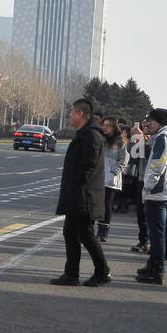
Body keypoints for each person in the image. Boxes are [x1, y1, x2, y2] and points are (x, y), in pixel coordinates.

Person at [52, 98, 111, 286]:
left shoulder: (91, 135)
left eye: (71, 112)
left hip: (84, 195)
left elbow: (88, 165)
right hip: (77, 194)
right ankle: (71, 273)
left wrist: (76, 183)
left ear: (80, 114)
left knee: (86, 234)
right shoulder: (85, 134)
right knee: (70, 233)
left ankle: (103, 272)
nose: (69, 115)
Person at [135, 108, 167, 285]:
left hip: (158, 194)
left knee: (157, 235)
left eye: (150, 121)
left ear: (160, 123)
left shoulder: (163, 138)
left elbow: (157, 165)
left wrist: (148, 186)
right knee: (159, 234)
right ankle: (152, 265)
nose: (147, 124)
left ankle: (156, 271)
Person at [99, 116, 128, 242]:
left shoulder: (120, 140)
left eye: (108, 125)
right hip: (98, 176)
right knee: (97, 204)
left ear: (114, 127)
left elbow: (124, 159)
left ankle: (104, 232)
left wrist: (114, 171)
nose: (105, 127)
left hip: (111, 177)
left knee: (107, 204)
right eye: (103, 124)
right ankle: (97, 229)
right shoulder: (100, 138)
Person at [128, 125, 150, 248]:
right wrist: (134, 138)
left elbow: (148, 151)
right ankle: (143, 241)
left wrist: (141, 138)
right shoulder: (140, 139)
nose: (147, 127)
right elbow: (133, 157)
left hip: (155, 181)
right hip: (141, 179)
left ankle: (156, 244)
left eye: (150, 124)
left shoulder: (159, 139)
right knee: (141, 213)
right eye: (145, 125)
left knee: (151, 214)